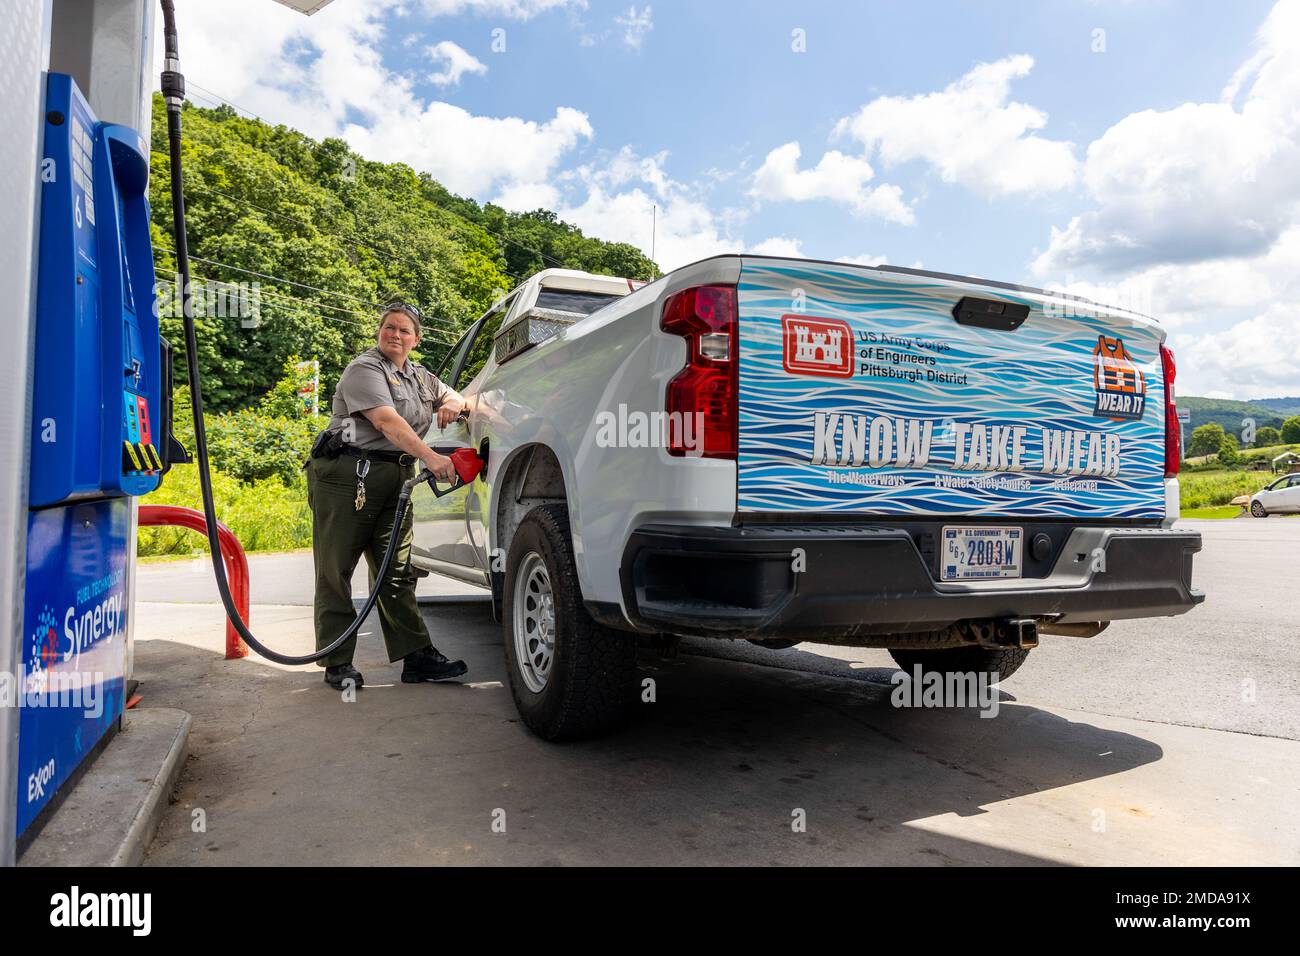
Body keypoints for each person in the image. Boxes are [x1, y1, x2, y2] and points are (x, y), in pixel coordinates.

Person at [306, 301, 469, 690]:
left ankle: (417, 657)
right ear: (380, 331)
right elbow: (386, 421)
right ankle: (337, 662)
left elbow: (458, 397)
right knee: (336, 569)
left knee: (395, 570)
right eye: (389, 328)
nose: (395, 335)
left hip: (396, 476)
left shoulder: (418, 376)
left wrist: (450, 405)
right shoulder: (365, 368)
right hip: (348, 474)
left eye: (404, 330)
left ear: (417, 338)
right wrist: (430, 457)